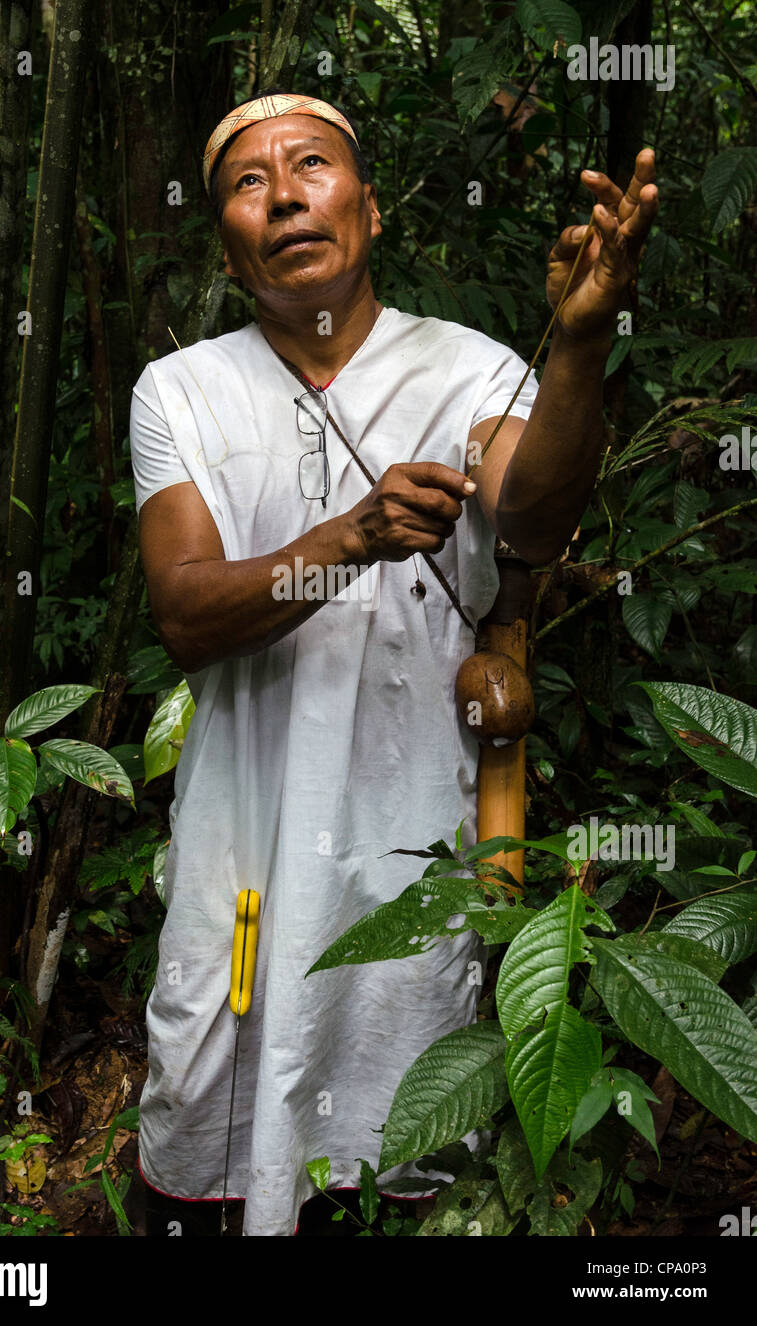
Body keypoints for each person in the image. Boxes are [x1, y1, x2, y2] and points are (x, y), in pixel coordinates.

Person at [129, 91, 658, 1237]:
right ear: (227, 238)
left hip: (416, 832)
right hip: (247, 836)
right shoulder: (180, 390)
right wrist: (349, 539)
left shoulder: (468, 369)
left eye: (310, 166)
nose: (283, 196)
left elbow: (539, 514)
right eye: (248, 182)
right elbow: (184, 610)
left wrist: (577, 341)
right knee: (214, 1109)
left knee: (409, 1116)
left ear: (366, 205)